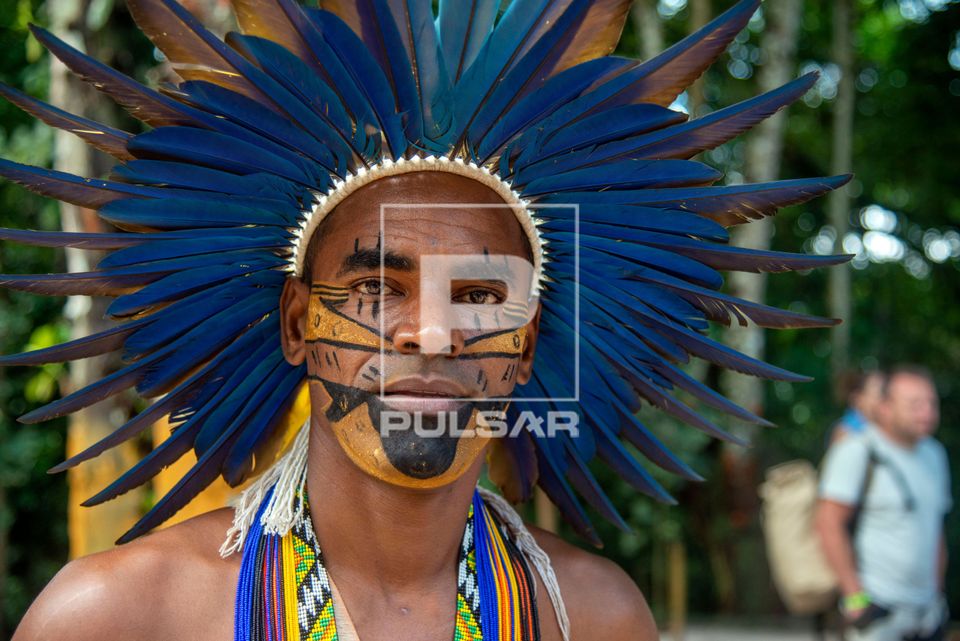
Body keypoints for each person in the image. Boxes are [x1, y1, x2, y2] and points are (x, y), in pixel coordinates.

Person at [2, 0, 849, 639]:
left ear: (524, 344)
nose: (431, 332)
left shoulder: (590, 617)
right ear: (296, 322)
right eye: (377, 289)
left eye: (481, 296)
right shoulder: (123, 615)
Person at [816, 366, 951, 641]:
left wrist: (937, 595)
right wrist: (855, 597)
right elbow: (827, 522)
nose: (927, 412)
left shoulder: (935, 454)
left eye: (931, 403)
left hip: (928, 614)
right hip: (877, 614)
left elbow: (935, 528)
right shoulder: (855, 448)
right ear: (885, 407)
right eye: (915, 404)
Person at [830, 369, 885, 443]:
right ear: (858, 398)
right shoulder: (844, 431)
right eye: (879, 392)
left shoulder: (881, 426)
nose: (884, 397)